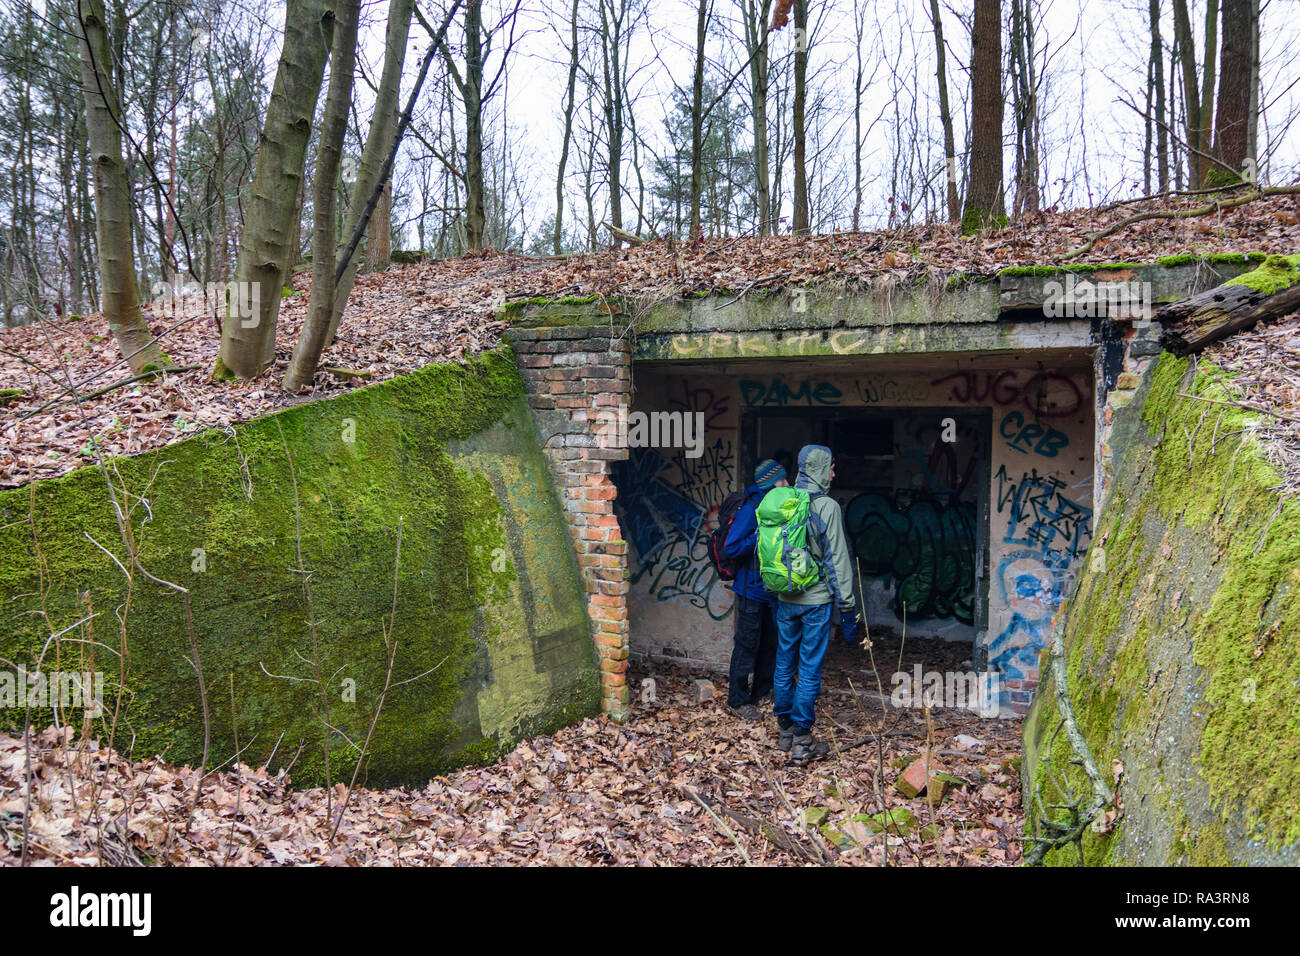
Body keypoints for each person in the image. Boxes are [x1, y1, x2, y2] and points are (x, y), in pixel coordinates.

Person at [773, 444, 860, 760]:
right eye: (831, 467)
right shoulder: (827, 507)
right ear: (821, 469)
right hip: (816, 602)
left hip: (785, 596)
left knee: (784, 662)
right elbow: (838, 561)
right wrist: (848, 606)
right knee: (809, 668)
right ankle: (802, 739)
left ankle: (784, 732)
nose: (834, 473)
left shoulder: (784, 500)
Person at [722, 459, 788, 719]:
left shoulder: (778, 506)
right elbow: (732, 547)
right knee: (747, 644)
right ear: (771, 483)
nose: (787, 484)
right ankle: (738, 701)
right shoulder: (751, 509)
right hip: (750, 588)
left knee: (771, 643)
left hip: (771, 590)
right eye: (782, 480)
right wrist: (760, 535)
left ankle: (762, 690)